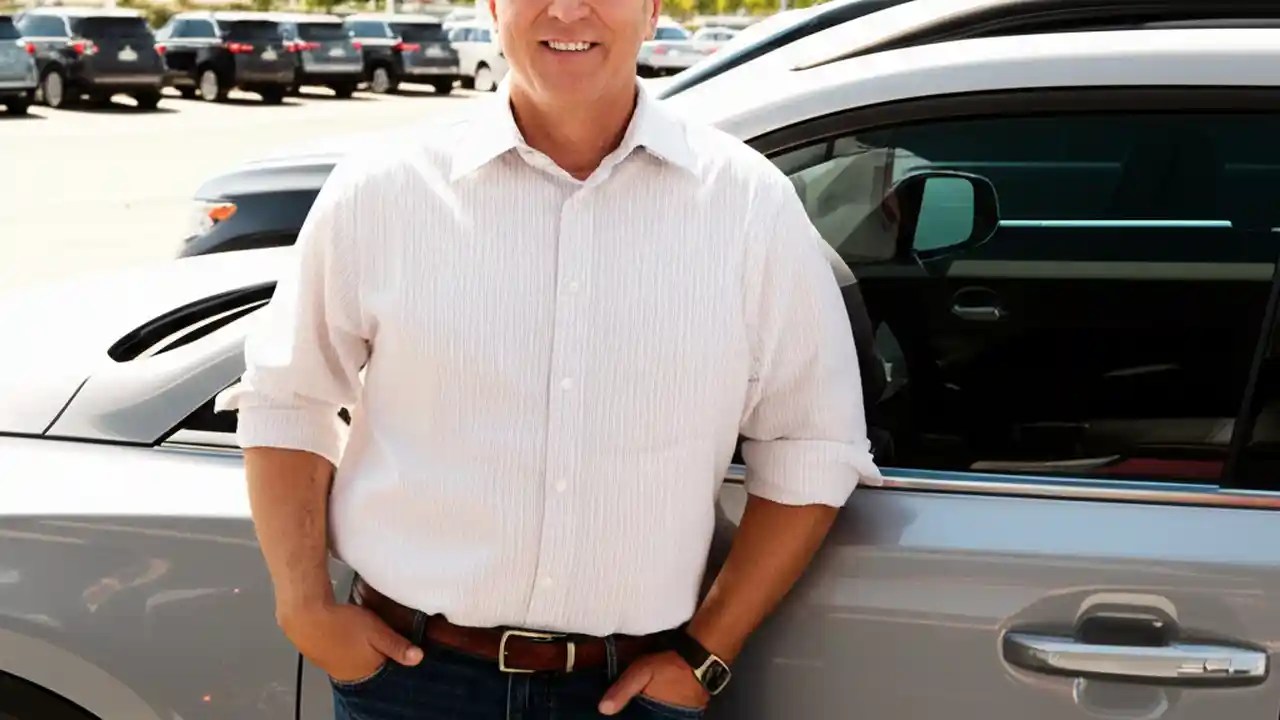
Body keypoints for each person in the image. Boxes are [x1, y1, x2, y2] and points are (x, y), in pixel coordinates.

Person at [213, 0, 882, 714]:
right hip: (410, 683)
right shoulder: (385, 188)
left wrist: (706, 653)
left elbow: (811, 442)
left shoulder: (749, 207)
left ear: (653, 10)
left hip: (632, 689)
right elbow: (289, 398)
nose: (567, 10)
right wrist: (303, 606)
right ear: (494, 7)